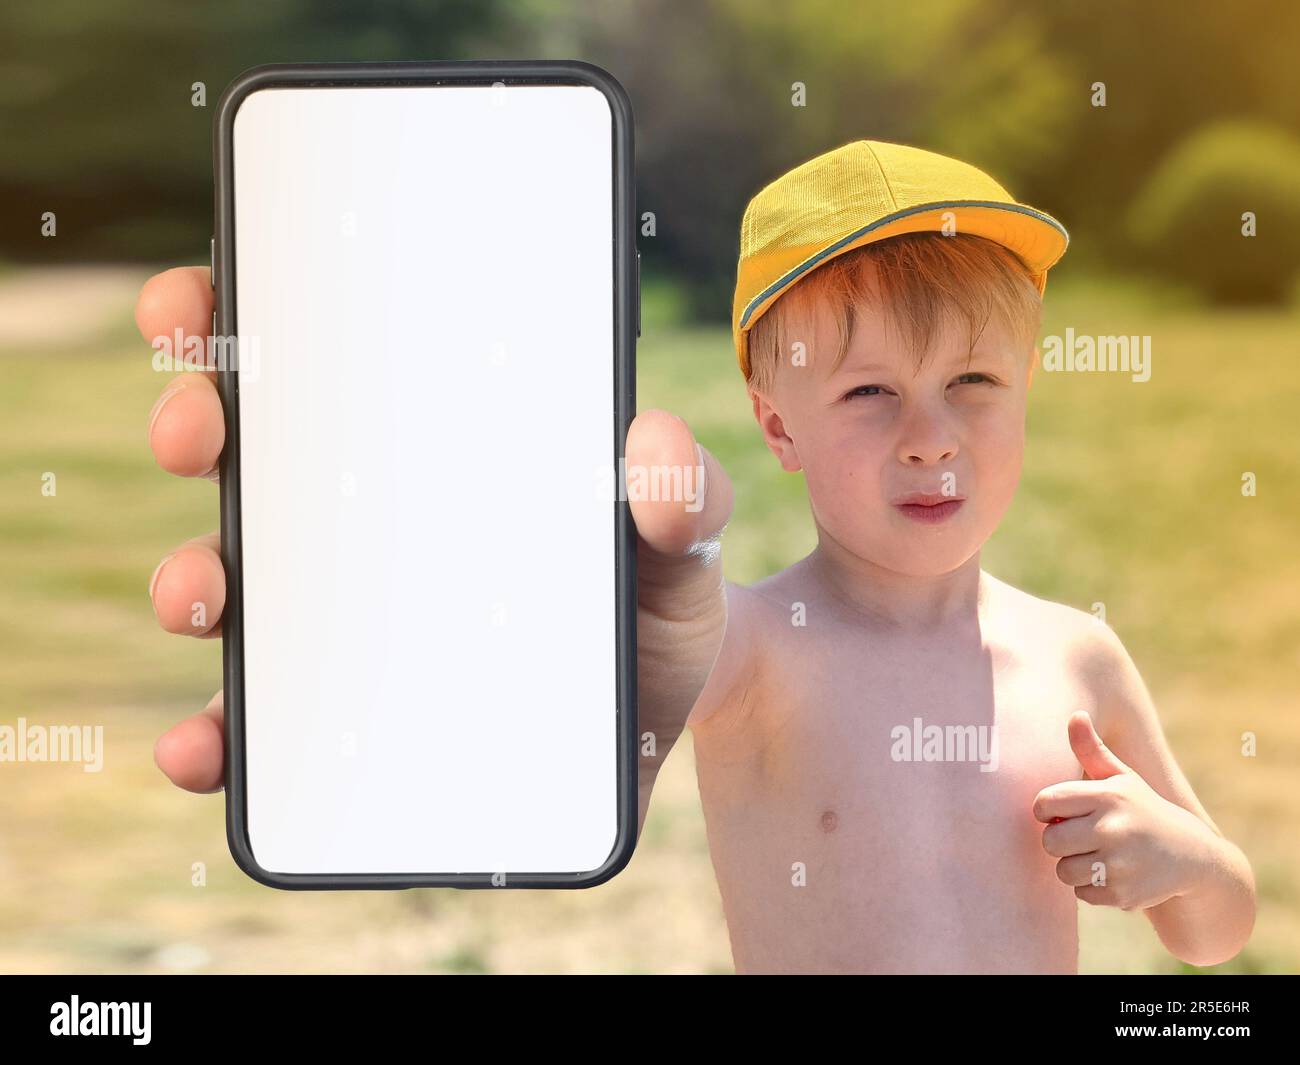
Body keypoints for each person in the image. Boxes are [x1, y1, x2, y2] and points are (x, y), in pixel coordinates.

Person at [140, 139, 1254, 974]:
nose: (930, 433)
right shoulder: (756, 645)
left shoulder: (1080, 656)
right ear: (777, 429)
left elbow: (1219, 929)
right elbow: (562, 672)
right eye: (868, 393)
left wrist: (1186, 863)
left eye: (973, 382)